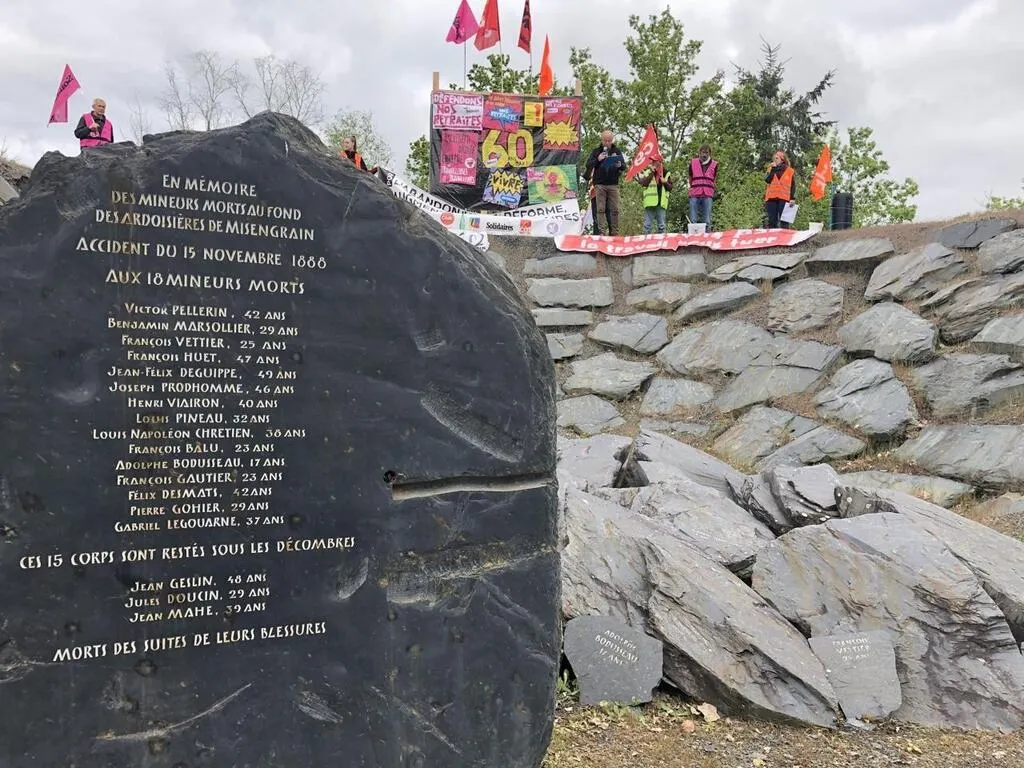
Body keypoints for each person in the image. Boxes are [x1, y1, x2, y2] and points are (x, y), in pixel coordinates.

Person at [584, 130, 626, 235]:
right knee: (600, 209)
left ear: (612, 140)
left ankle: (615, 232)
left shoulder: (617, 151)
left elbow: (624, 166)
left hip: (613, 184)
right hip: (600, 184)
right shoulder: (596, 151)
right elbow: (588, 165)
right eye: (605, 140)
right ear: (601, 140)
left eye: (609, 140)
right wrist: (598, 159)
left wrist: (619, 165)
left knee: (615, 209)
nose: (607, 142)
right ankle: (601, 232)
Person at [638, 159, 673, 234]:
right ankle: (645, 243)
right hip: (650, 202)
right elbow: (644, 183)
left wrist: (665, 182)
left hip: (661, 203)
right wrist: (652, 173)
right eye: (652, 161)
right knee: (647, 226)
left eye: (655, 161)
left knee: (661, 226)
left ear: (660, 162)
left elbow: (670, 188)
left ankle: (661, 244)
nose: (653, 163)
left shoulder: (666, 172)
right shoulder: (648, 172)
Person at [764, 150, 796, 228]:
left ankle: (785, 239)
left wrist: (792, 198)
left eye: (777, 158)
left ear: (782, 159)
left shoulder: (789, 170)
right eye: (774, 158)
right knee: (772, 221)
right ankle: (773, 238)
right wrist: (773, 169)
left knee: (785, 222)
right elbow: (768, 180)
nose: (775, 160)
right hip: (771, 198)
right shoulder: (771, 169)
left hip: (785, 199)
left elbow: (793, 185)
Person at [688, 144, 717, 230]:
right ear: (699, 153)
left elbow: (714, 178)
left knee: (707, 219)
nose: (704, 155)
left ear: (710, 154)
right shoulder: (693, 163)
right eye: (703, 152)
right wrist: (693, 187)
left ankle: (707, 235)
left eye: (707, 153)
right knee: (693, 219)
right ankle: (693, 236)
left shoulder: (715, 164)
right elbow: (690, 177)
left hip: (708, 194)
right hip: (695, 193)